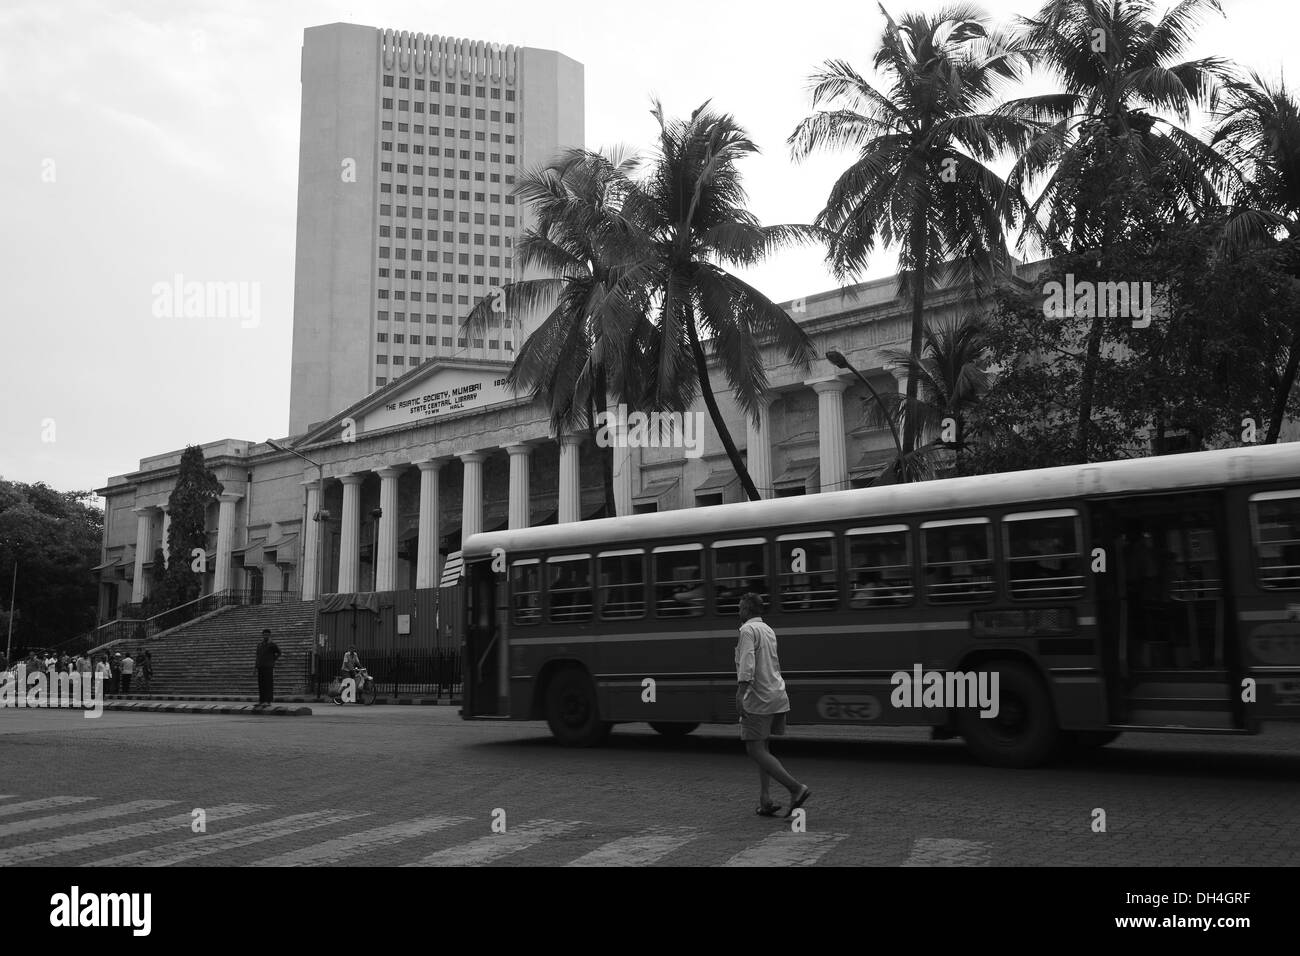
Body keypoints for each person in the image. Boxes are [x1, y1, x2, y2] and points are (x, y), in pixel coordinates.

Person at [734, 592, 810, 819]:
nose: (738, 611)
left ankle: (796, 788)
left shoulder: (747, 630)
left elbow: (747, 664)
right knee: (763, 747)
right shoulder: (768, 629)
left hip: (758, 697)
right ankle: (765, 799)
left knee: (753, 748)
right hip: (776, 693)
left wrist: (740, 693)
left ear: (747, 610)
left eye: (740, 607)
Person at [255, 629, 281, 705]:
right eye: (264, 634)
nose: (265, 636)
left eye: (267, 635)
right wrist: (255, 667)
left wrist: (273, 660)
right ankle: (261, 700)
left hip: (268, 667)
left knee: (268, 684)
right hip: (260, 667)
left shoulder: (272, 644)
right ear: (262, 635)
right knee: (261, 684)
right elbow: (257, 656)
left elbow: (279, 653)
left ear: (269, 635)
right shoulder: (259, 645)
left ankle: (268, 701)